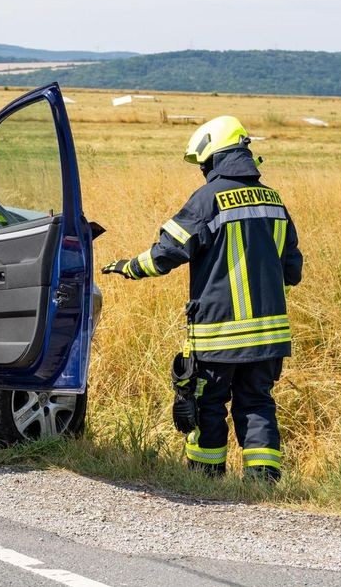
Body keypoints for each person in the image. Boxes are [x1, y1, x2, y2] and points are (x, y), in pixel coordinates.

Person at [101, 116, 303, 481]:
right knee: (257, 404)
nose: (203, 171)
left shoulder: (209, 199)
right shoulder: (275, 200)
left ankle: (206, 480)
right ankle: (262, 483)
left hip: (219, 334)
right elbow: (293, 271)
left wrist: (128, 267)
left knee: (208, 404)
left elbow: (167, 252)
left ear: (214, 156)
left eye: (204, 163)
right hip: (270, 335)